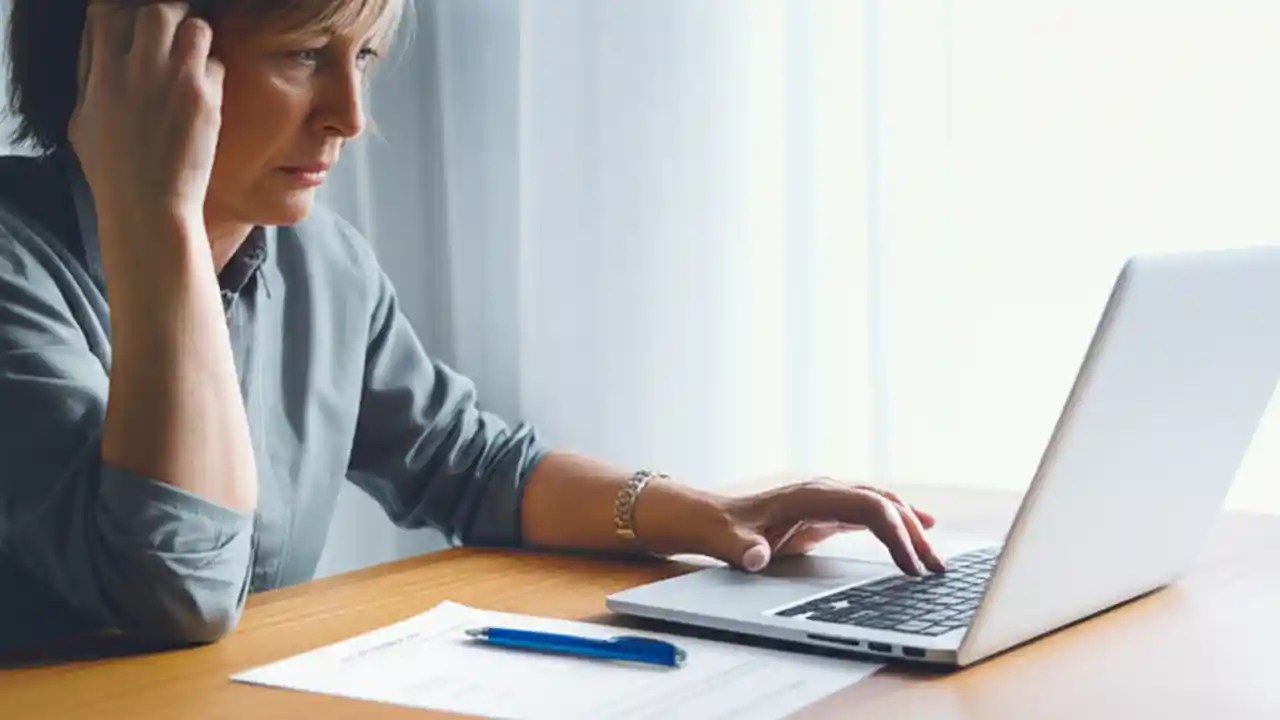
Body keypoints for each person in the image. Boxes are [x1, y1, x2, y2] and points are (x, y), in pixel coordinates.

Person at [0, 0, 945, 651]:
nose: (351, 115)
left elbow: (479, 467)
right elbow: (174, 591)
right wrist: (157, 212)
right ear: (135, 53)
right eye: (302, 54)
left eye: (362, 56)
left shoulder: (323, 265)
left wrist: (712, 514)